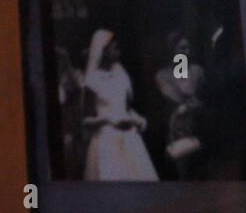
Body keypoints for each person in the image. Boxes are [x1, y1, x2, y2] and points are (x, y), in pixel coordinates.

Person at [80, 29, 158, 181]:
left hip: (129, 138)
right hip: (106, 140)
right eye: (113, 47)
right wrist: (108, 120)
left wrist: (139, 119)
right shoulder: (92, 81)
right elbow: (85, 120)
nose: (118, 50)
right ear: (103, 50)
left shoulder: (121, 74)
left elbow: (127, 109)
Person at [154, 30, 207, 179]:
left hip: (196, 127)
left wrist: (192, 105)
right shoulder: (162, 76)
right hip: (176, 129)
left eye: (188, 48)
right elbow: (181, 94)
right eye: (182, 48)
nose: (186, 52)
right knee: (182, 173)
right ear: (171, 50)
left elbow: (201, 100)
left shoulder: (197, 71)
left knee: (200, 173)